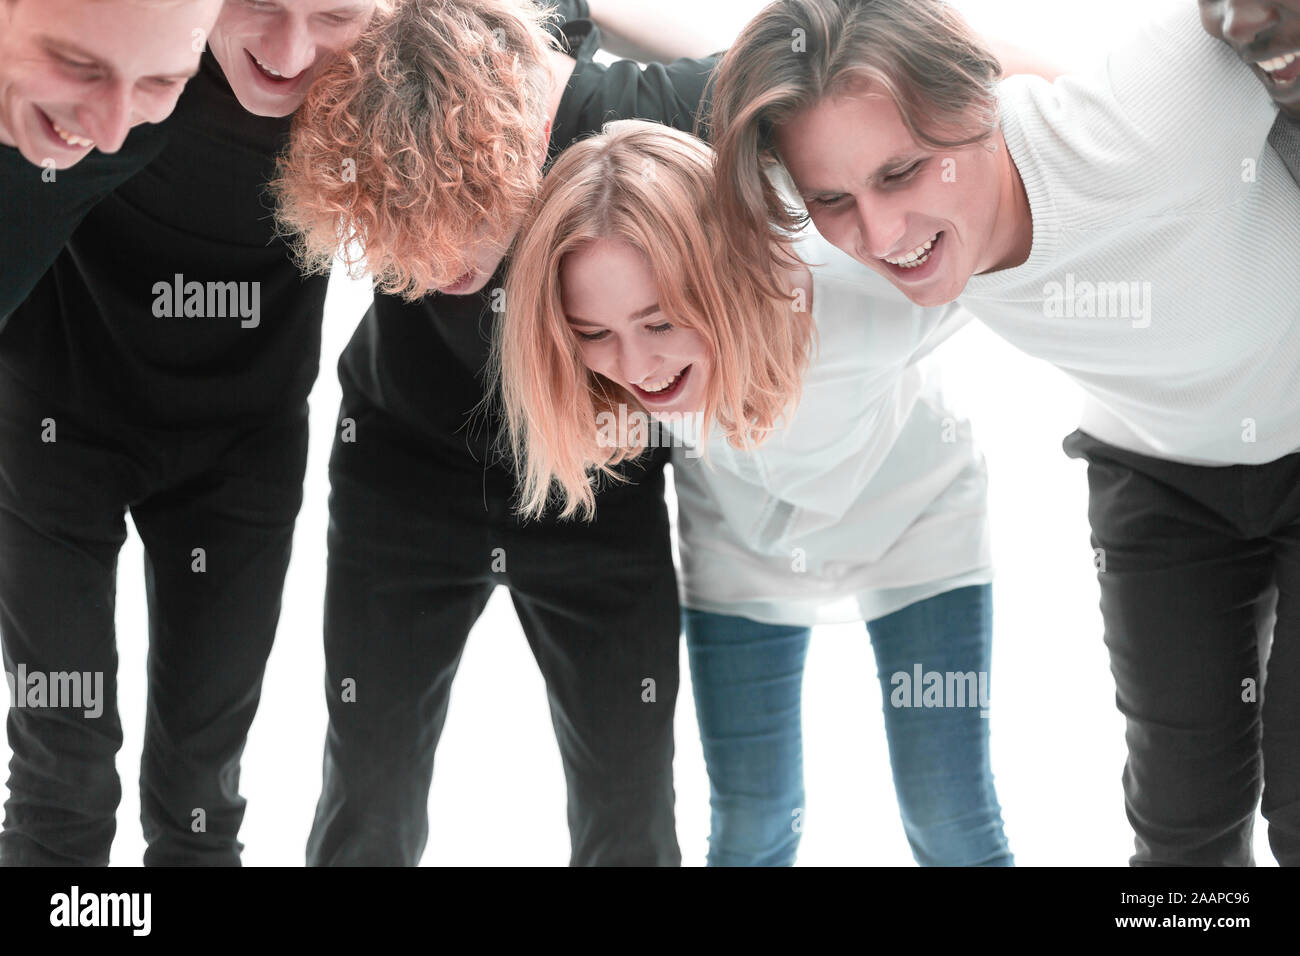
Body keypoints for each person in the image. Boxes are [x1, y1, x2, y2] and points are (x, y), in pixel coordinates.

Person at [709, 0, 1300, 865]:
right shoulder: (861, 257)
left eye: (903, 173)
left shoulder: (1149, 105)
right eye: (832, 198)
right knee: (1181, 827)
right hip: (1161, 477)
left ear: (977, 104)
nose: (880, 235)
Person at [270, 0, 729, 866]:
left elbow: (813, 47)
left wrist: (1060, 100)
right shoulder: (375, 79)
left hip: (597, 482)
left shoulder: (622, 118)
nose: (440, 268)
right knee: (367, 785)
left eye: (461, 222)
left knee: (631, 797)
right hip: (401, 474)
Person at [494, 118, 1012, 866]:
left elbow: (1013, 233)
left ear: (722, 275)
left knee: (947, 812)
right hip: (744, 546)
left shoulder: (855, 290)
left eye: (660, 321)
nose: (636, 367)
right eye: (594, 333)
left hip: (917, 523)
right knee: (753, 822)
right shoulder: (611, 352)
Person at [0, 0, 387, 866]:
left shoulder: (377, 73)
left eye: (332, 14)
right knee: (60, 778)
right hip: (56, 425)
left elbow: (558, 38)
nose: (290, 53)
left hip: (241, 454)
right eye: (259, 5)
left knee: (201, 794)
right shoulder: (119, 58)